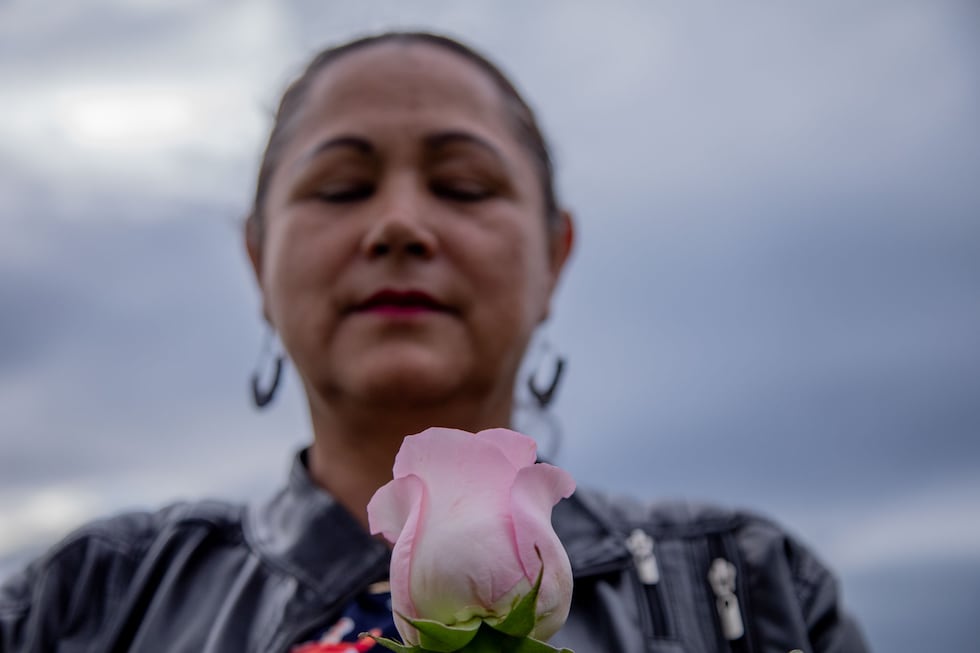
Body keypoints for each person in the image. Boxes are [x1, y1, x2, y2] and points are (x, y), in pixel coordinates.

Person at [0, 32, 869, 652]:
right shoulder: (89, 602)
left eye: (462, 184)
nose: (401, 225)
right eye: (341, 188)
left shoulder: (748, 590)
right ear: (258, 258)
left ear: (555, 257)